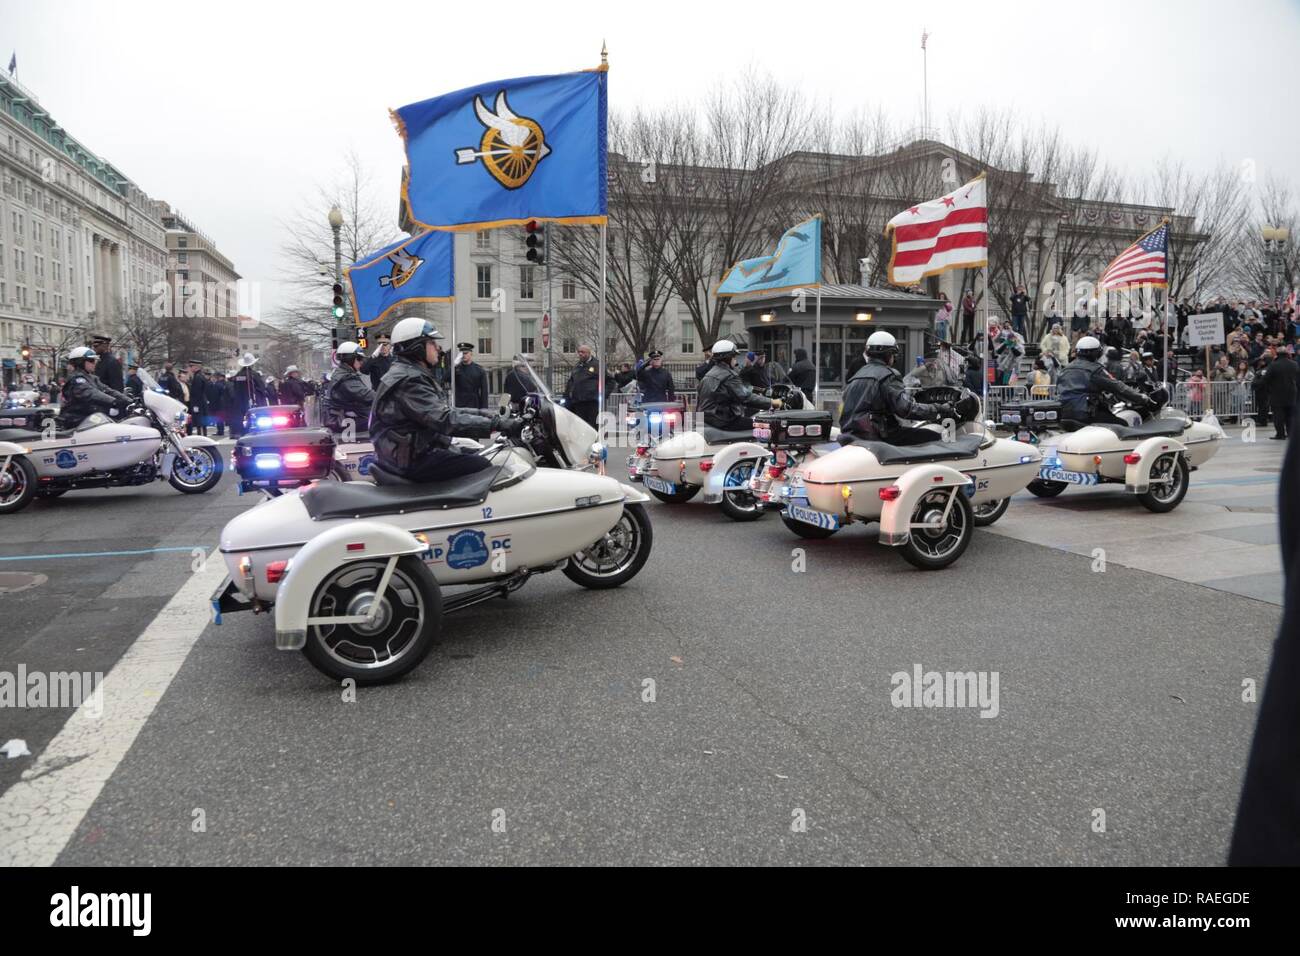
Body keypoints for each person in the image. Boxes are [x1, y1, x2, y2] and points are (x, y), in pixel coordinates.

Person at [370, 318, 518, 482]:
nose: (438, 348)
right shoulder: (409, 380)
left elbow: (445, 411)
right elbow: (444, 419)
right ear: (417, 348)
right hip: (411, 459)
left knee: (480, 452)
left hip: (411, 451)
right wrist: (496, 425)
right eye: (432, 342)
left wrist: (491, 415)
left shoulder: (409, 372)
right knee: (482, 466)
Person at [841, 331, 956, 445]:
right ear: (888, 355)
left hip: (853, 435)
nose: (894, 359)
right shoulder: (887, 375)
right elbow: (906, 409)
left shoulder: (856, 376)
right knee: (936, 437)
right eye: (893, 354)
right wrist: (939, 409)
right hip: (878, 436)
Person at [1056, 336, 1153, 426]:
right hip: (1086, 414)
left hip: (1064, 414)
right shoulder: (1095, 370)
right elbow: (1118, 387)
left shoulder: (1065, 369)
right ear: (1096, 353)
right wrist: (1141, 397)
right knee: (1122, 424)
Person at [696, 339, 779, 431]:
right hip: (723, 420)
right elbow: (746, 397)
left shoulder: (709, 374)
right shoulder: (729, 375)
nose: (735, 360)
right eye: (734, 357)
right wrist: (772, 402)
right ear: (728, 358)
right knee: (766, 426)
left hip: (706, 419)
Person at [58, 346, 133, 429]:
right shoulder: (76, 380)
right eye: (91, 360)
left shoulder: (93, 378)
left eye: (94, 361)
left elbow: (108, 391)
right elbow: (91, 393)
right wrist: (114, 402)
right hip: (76, 420)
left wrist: (129, 401)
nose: (94, 363)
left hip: (89, 418)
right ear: (80, 362)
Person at [324, 342, 375, 435]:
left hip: (343, 419)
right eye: (359, 359)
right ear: (350, 359)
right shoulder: (346, 379)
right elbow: (367, 395)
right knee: (384, 421)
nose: (361, 362)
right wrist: (386, 394)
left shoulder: (342, 374)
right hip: (344, 421)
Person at [564, 344, 611, 428]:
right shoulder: (577, 366)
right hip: (578, 403)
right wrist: (567, 396)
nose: (580, 354)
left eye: (582, 352)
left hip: (592, 403)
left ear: (589, 353)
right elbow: (571, 382)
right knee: (580, 427)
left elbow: (610, 381)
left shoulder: (598, 365)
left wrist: (603, 395)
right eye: (579, 352)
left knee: (592, 427)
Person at [228, 352, 273, 438]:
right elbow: (261, 387)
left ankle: (242, 432)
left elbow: (235, 388)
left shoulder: (238, 375)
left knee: (242, 418)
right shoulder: (254, 375)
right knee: (256, 416)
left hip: (240, 402)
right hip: (254, 400)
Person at [1261, 348, 1297, 440]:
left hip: (1277, 394)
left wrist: (1269, 388)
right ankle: (1290, 434)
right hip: (1291, 393)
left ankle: (1280, 434)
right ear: (1287, 354)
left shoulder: (1274, 365)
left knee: (1278, 416)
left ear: (1277, 354)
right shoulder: (1294, 364)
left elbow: (1266, 379)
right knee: (1290, 415)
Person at [453, 343, 490, 410]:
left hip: (474, 405)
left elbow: (484, 392)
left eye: (466, 353)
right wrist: (454, 365)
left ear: (471, 354)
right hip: (460, 405)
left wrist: (484, 408)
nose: (464, 355)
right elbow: (445, 378)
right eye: (462, 354)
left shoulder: (479, 370)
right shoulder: (456, 368)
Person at [187, 360, 209, 436]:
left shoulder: (198, 377)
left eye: (191, 366)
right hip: (201, 402)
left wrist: (195, 405)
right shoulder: (200, 376)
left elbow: (197, 392)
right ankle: (203, 435)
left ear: (196, 367)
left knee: (199, 421)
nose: (190, 368)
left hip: (198, 403)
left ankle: (201, 435)